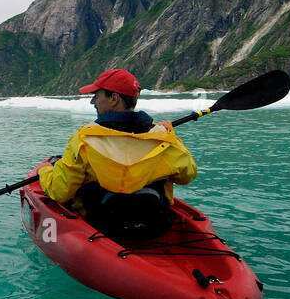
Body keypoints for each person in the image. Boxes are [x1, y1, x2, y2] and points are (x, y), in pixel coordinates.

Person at [38, 68, 198, 240]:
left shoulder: (83, 141)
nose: (93, 102)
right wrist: (169, 135)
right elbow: (187, 176)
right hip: (156, 224)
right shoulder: (163, 139)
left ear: (114, 98)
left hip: (104, 226)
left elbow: (61, 192)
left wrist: (45, 171)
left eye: (97, 96)